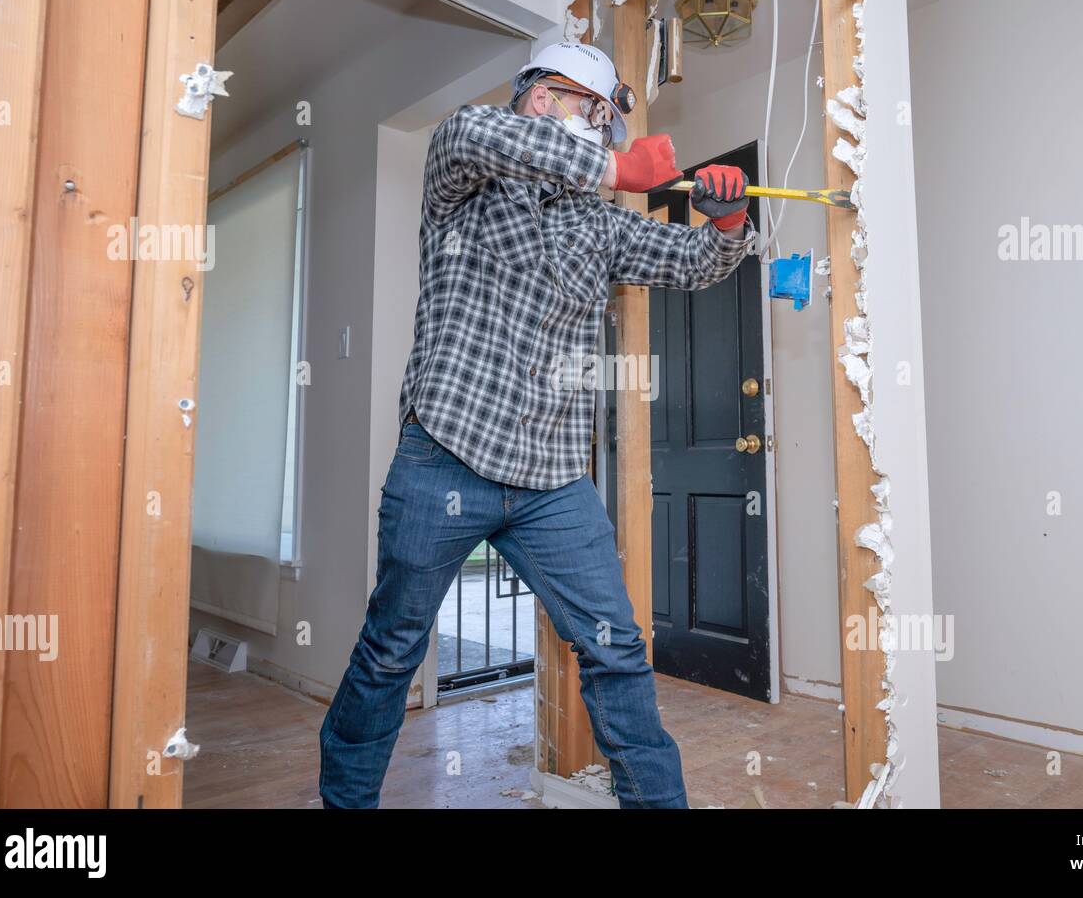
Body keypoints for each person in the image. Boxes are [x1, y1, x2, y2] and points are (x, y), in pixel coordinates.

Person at [319, 41, 756, 809]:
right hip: (445, 454)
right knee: (391, 652)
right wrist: (621, 171)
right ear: (540, 98)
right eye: (589, 109)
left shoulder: (598, 224)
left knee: (616, 650)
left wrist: (727, 223)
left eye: (601, 119)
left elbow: (693, 263)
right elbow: (473, 136)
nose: (596, 128)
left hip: (553, 477)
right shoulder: (466, 172)